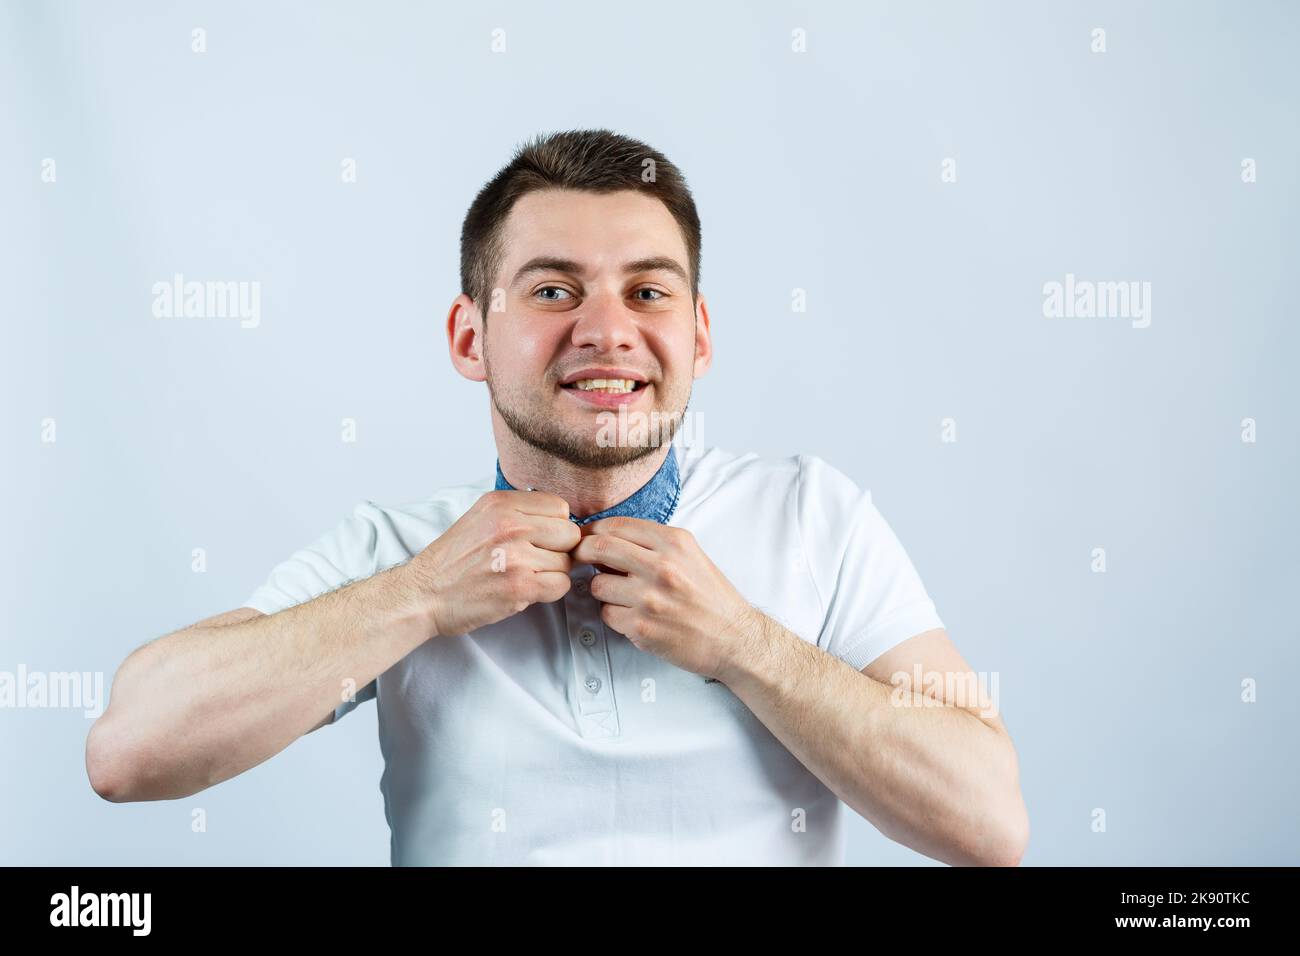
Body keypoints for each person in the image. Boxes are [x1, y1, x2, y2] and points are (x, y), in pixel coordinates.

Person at [86, 129, 1028, 866]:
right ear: (468, 338)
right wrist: (419, 597)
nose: (608, 331)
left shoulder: (814, 515)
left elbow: (989, 824)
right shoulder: (400, 551)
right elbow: (129, 751)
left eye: (649, 292)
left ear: (698, 336)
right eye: (552, 290)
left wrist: (745, 645)